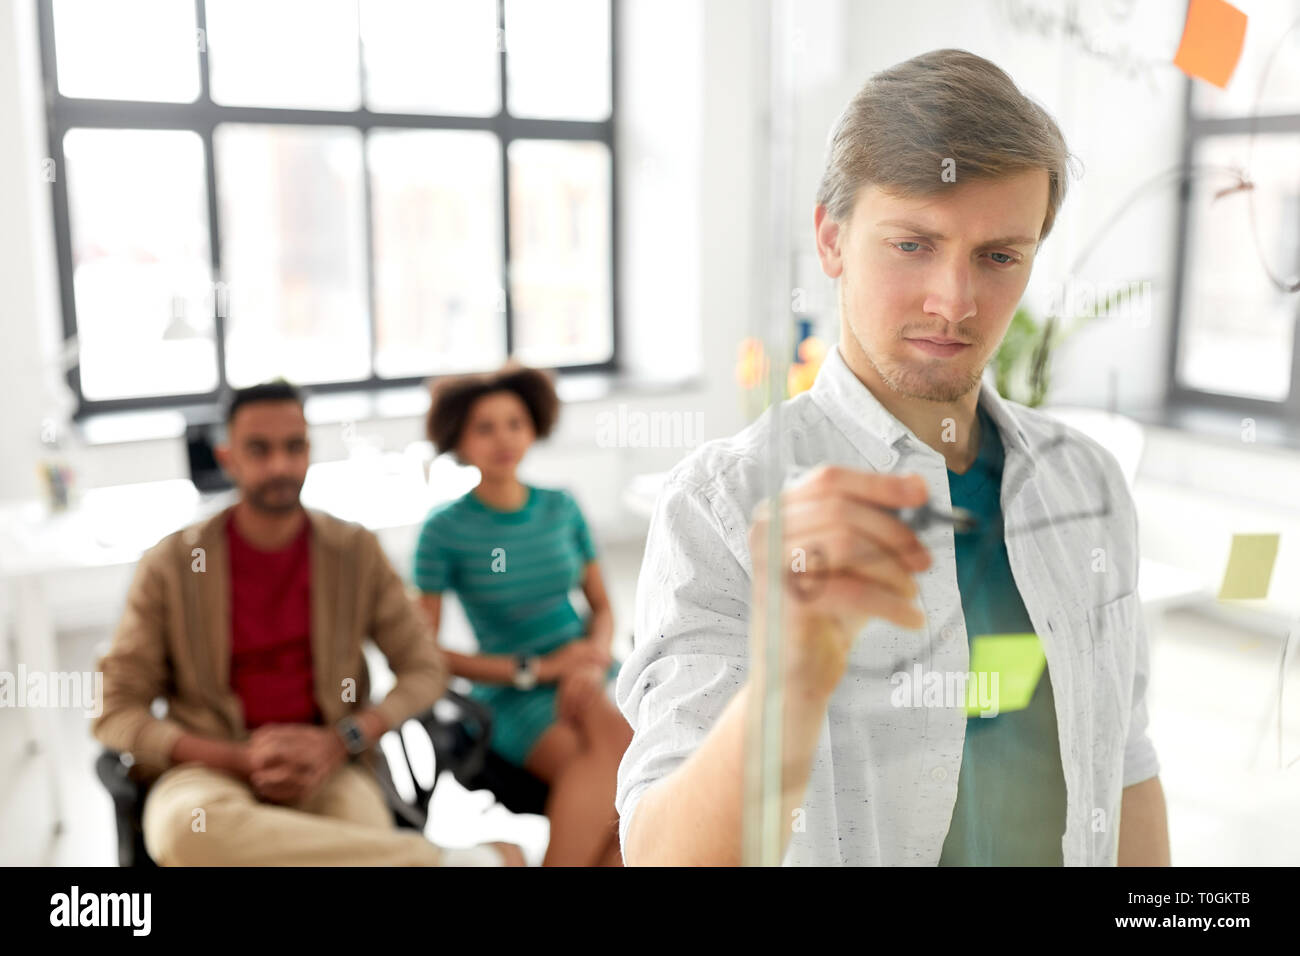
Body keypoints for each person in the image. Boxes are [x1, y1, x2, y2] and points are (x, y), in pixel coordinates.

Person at [615, 49, 1170, 866]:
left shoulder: (1086, 483)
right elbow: (663, 857)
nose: (955, 301)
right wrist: (791, 682)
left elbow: (1124, 763)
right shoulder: (724, 504)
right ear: (831, 239)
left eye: (999, 256)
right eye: (913, 244)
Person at [94, 381, 524, 866]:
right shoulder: (173, 563)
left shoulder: (352, 550)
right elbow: (113, 708)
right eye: (259, 449)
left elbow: (425, 668)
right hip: (210, 767)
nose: (280, 465)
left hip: (329, 762)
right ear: (227, 456)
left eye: (293, 447)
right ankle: (442, 862)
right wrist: (237, 758)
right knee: (187, 833)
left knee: (362, 830)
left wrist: (347, 738)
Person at [413, 365, 632, 867]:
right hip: (512, 689)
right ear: (459, 441)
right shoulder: (444, 530)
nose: (503, 439)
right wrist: (538, 669)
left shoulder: (561, 507)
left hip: (589, 665)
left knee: (633, 772)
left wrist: (592, 661)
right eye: (484, 428)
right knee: (622, 772)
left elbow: (602, 608)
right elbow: (423, 651)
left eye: (514, 423)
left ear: (533, 427)